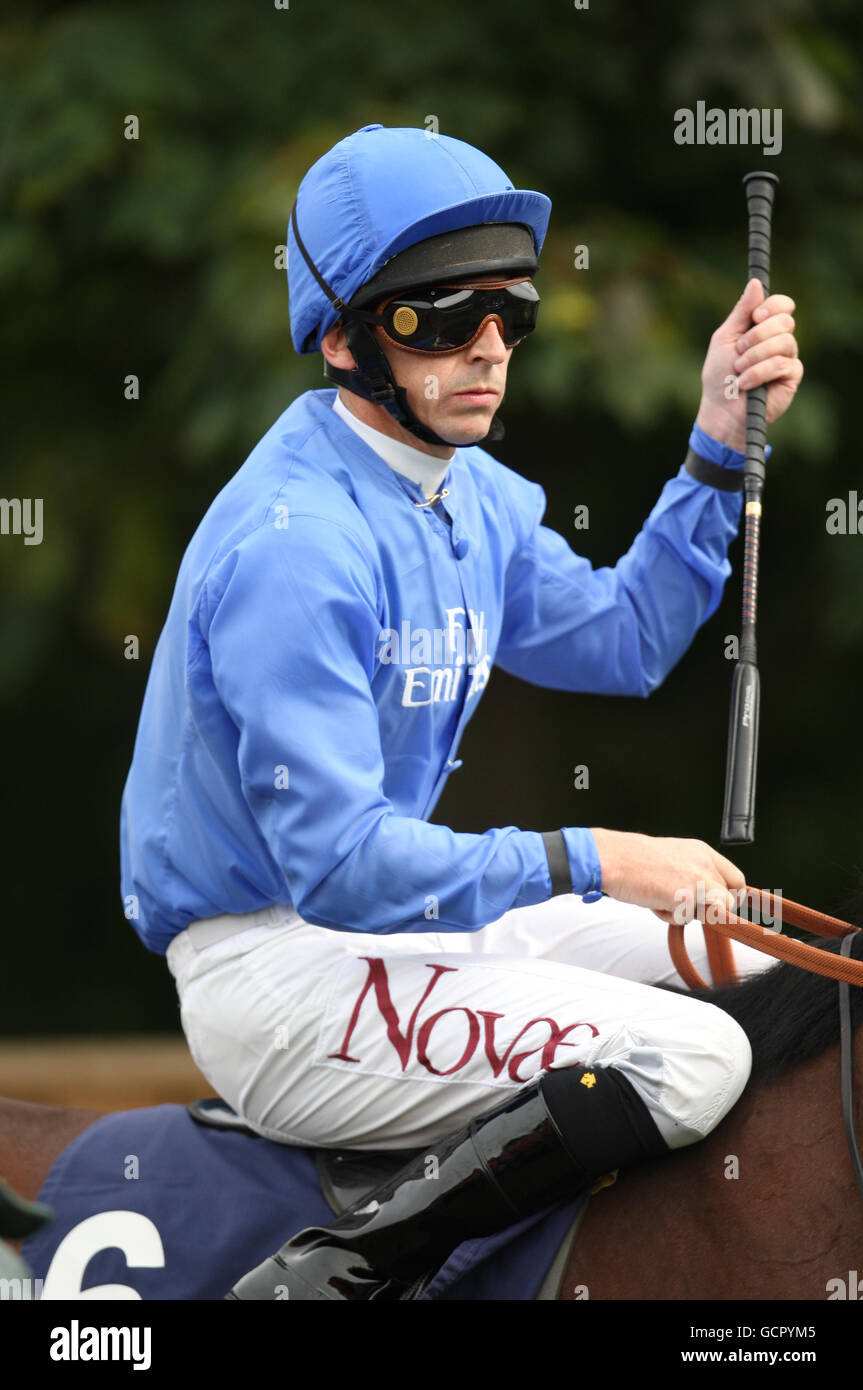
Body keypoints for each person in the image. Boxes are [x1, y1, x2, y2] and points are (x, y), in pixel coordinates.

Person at [119, 124, 803, 1300]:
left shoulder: (466, 497)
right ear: (341, 339)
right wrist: (600, 857)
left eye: (510, 314)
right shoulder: (297, 550)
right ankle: (346, 1271)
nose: (486, 351)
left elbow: (624, 639)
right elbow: (335, 866)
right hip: (275, 970)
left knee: (743, 950)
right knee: (690, 1058)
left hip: (399, 935)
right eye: (438, 320)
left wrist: (712, 440)